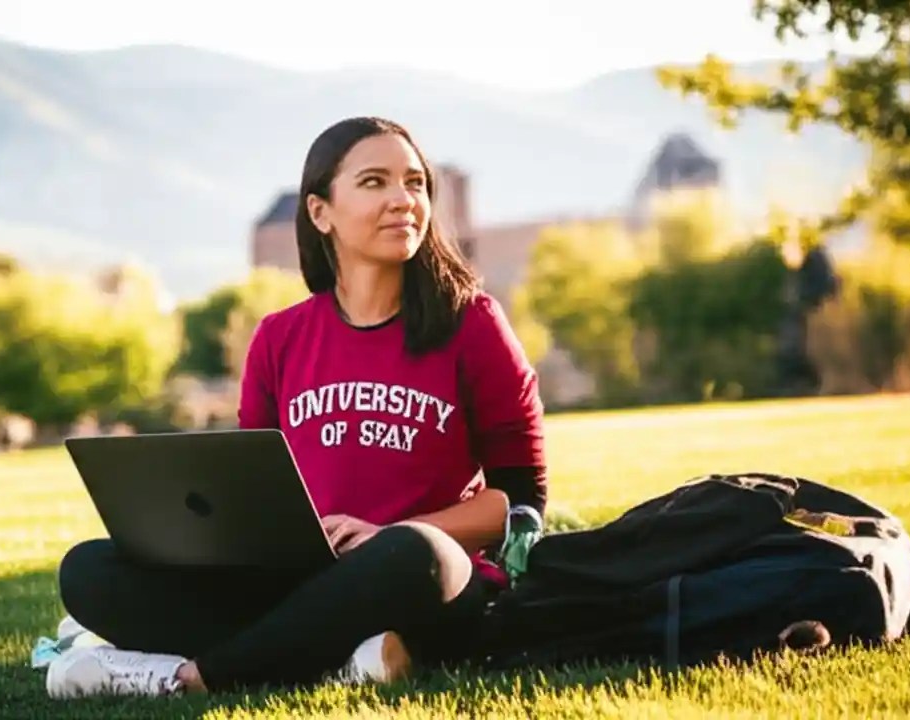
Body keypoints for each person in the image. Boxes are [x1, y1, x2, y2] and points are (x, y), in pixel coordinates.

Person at [47, 116, 547, 699]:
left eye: (414, 182)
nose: (403, 200)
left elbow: (521, 506)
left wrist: (389, 531)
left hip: (425, 579)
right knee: (89, 571)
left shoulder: (473, 324)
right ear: (319, 212)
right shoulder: (279, 338)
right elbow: (247, 491)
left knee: (413, 555)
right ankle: (345, 660)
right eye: (374, 182)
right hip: (299, 578)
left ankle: (191, 677)